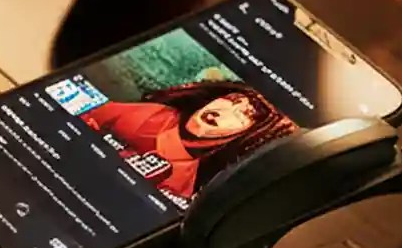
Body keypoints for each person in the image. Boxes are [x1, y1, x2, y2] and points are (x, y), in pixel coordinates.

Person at [80, 80, 297, 200]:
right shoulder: (157, 116)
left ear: (252, 134)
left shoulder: (188, 188)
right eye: (232, 100)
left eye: (247, 114)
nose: (224, 110)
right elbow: (79, 114)